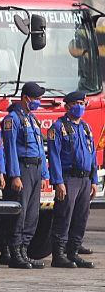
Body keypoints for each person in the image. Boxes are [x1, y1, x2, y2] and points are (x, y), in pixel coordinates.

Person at [0, 82, 49, 270]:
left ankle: (24, 251)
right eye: (36, 99)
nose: (39, 102)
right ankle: (15, 252)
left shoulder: (32, 119)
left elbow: (40, 149)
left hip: (35, 169)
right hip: (22, 168)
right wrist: (15, 175)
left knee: (33, 214)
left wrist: (44, 174)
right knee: (20, 212)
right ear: (26, 98)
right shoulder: (13, 119)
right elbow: (9, 149)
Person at [47, 91, 97, 269]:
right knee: (64, 216)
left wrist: (94, 180)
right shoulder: (58, 128)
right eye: (76, 103)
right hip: (69, 178)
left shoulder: (85, 127)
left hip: (85, 179)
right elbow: (54, 157)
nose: (80, 106)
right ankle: (59, 255)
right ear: (67, 106)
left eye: (82, 103)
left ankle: (73, 252)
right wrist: (58, 182)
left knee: (81, 217)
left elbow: (93, 155)